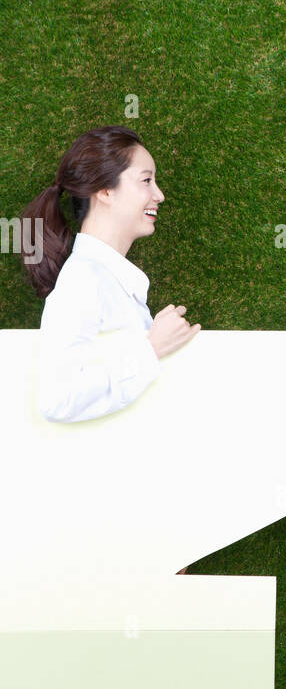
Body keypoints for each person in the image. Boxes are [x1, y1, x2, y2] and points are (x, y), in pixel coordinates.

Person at [19, 126, 201, 570]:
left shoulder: (105, 280)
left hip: (124, 519)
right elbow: (58, 397)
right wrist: (150, 349)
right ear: (104, 190)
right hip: (98, 531)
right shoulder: (83, 281)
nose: (158, 194)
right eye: (145, 180)